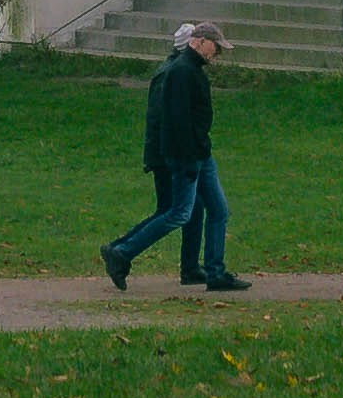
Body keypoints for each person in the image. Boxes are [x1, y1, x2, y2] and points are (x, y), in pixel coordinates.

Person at [102, 15, 244, 290]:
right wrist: (186, 159)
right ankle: (122, 251)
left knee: (215, 210)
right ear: (199, 42)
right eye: (215, 47)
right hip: (187, 156)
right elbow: (176, 121)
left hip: (199, 152)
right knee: (179, 212)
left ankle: (213, 272)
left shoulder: (189, 70)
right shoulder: (180, 72)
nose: (217, 53)